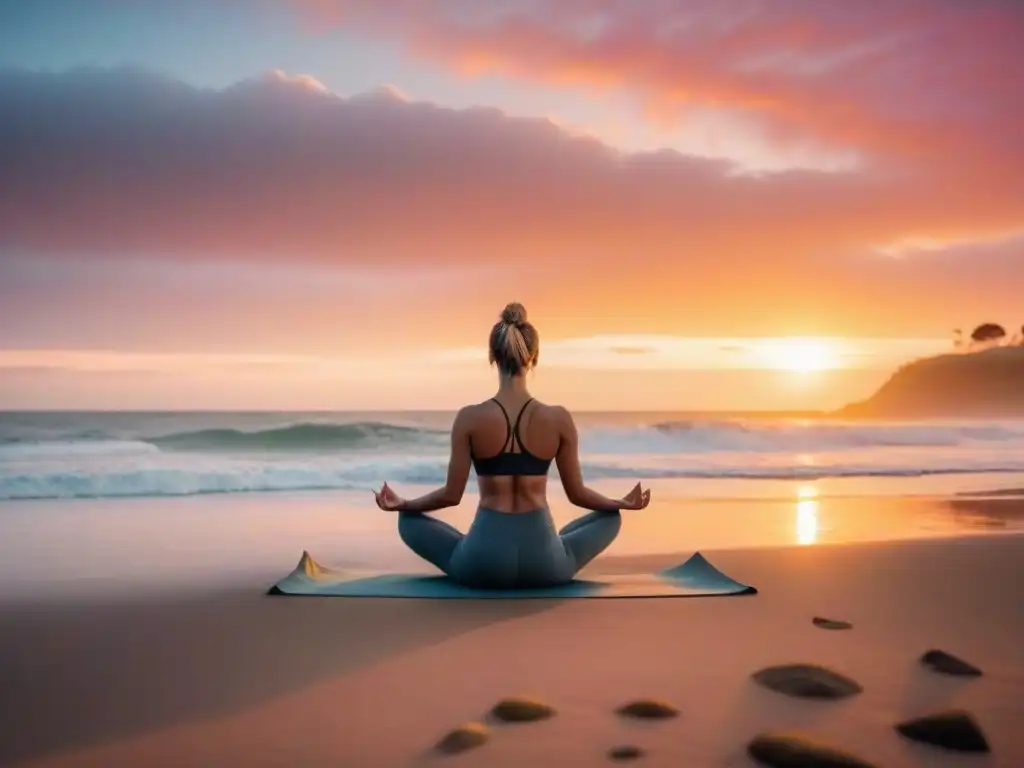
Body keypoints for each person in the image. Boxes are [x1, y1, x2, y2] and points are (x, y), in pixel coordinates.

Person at [373, 302, 652, 589]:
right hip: (546, 565)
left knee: (408, 520)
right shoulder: (558, 418)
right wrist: (620, 502)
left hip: (482, 565)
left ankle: (436, 529)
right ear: (535, 357)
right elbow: (578, 494)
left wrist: (405, 504)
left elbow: (451, 495)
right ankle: (556, 543)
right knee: (610, 518)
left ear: (492, 356)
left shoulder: (469, 418)